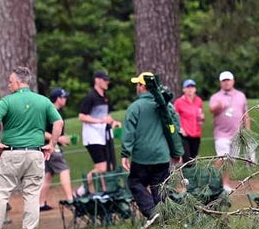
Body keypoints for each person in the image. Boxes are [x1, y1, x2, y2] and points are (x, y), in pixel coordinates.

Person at [0, 66, 62, 229]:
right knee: (32, 194)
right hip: (35, 154)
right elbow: (58, 122)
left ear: (19, 82)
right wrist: (52, 145)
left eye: (11, 82)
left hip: (11, 153)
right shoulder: (43, 101)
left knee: (1, 193)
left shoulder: (6, 101)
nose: (9, 84)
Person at [121, 72, 182, 220]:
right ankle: (164, 220)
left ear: (142, 86)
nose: (137, 87)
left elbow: (129, 132)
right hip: (162, 155)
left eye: (138, 84)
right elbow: (175, 125)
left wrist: (125, 153)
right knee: (159, 188)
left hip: (142, 156)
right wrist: (176, 150)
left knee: (135, 182)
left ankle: (151, 212)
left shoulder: (135, 107)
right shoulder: (165, 105)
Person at [209, 70, 251, 191]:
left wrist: (247, 131)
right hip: (221, 133)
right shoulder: (216, 97)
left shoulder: (241, 95)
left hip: (237, 134)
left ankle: (225, 184)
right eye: (224, 80)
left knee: (232, 160)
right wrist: (218, 106)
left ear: (233, 81)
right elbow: (212, 110)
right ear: (221, 82)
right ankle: (209, 175)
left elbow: (246, 114)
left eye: (228, 80)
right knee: (223, 158)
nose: (226, 82)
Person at [78, 70, 120, 181]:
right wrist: (100, 121)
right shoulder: (90, 97)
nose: (107, 82)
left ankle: (104, 192)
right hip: (92, 137)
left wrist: (113, 122)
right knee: (101, 167)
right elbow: (82, 116)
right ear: (97, 80)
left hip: (103, 136)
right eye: (104, 80)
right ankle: (82, 191)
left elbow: (107, 116)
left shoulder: (105, 97)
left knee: (107, 167)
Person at [40, 88, 74, 210]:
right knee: (64, 169)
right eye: (64, 97)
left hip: (47, 147)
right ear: (58, 99)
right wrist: (59, 139)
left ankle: (41, 203)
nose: (65, 100)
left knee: (48, 175)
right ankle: (70, 198)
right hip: (50, 147)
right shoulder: (50, 112)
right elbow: (41, 132)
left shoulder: (55, 111)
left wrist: (63, 139)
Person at [174, 78, 205, 165]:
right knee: (187, 161)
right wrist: (179, 128)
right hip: (185, 135)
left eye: (192, 87)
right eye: (188, 87)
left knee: (193, 159)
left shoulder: (199, 101)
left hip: (196, 134)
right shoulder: (179, 102)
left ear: (195, 89)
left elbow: (200, 116)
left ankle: (191, 177)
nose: (190, 89)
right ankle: (186, 177)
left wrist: (202, 117)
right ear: (184, 89)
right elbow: (174, 117)